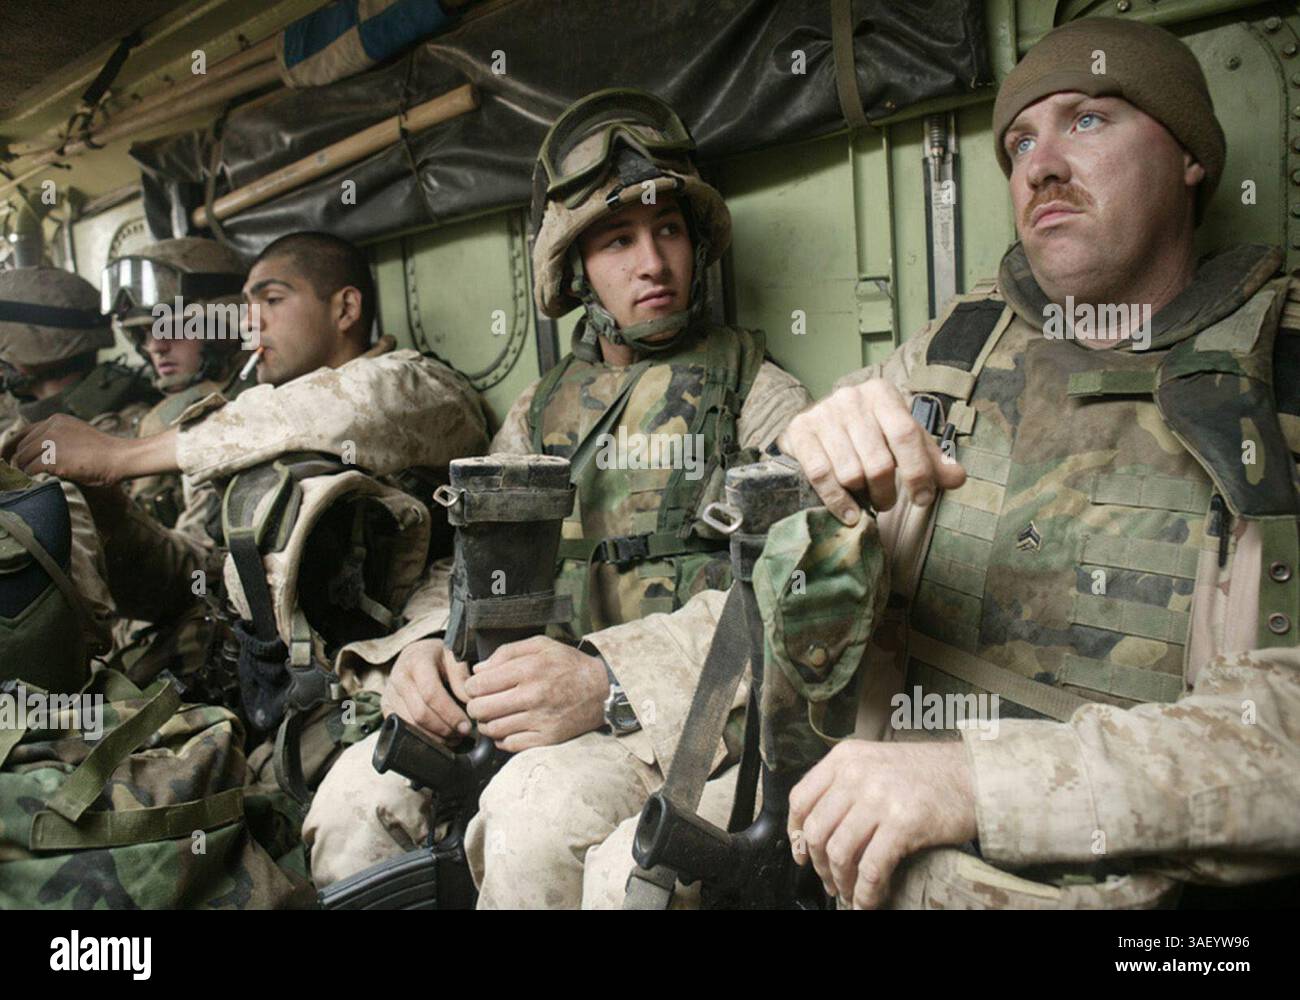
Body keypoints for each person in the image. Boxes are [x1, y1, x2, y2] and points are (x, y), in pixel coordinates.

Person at [578, 17, 1300, 910]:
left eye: (1087, 121)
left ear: (1192, 155)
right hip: (873, 843)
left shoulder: (1279, 377)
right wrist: (812, 504)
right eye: (1019, 142)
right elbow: (789, 612)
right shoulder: (947, 355)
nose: (1039, 165)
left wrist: (975, 780)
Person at [304, 89, 812, 892]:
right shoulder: (539, 412)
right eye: (618, 240)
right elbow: (468, 568)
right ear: (575, 270)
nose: (653, 263)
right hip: (517, 706)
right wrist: (424, 652)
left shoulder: (759, 392)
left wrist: (609, 681)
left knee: (531, 819)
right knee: (351, 804)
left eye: (669, 230)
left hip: (669, 723)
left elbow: (805, 591)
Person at [7, 231, 490, 790]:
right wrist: (109, 507)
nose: (250, 322)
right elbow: (194, 579)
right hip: (258, 695)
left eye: (273, 300)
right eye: (246, 306)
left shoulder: (421, 387)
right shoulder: (247, 434)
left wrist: (121, 456)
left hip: (382, 681)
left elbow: (345, 404)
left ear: (346, 308)